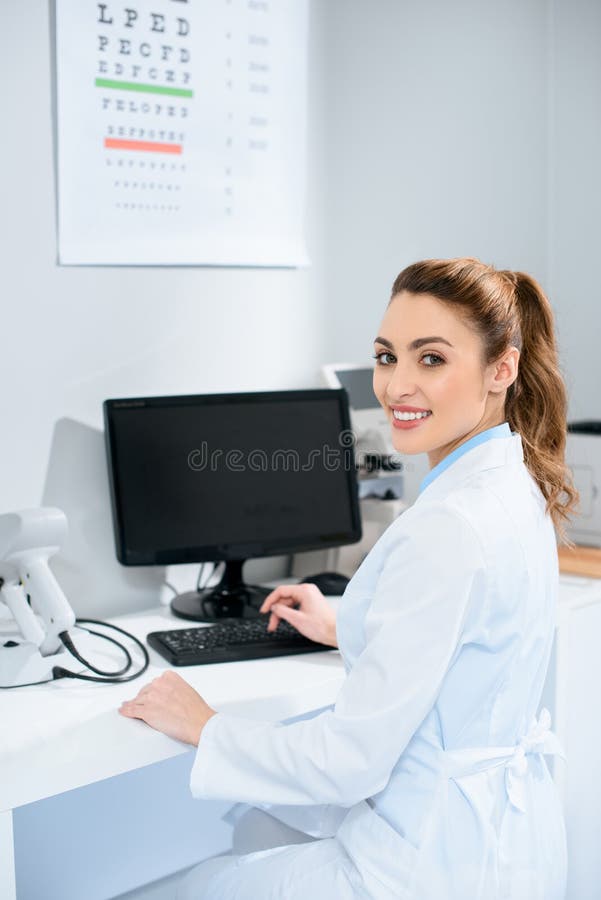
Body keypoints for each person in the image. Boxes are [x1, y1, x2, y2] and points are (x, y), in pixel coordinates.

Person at [119, 257, 577, 899]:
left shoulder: (449, 525)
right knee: (256, 829)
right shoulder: (514, 484)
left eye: (432, 359)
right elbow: (468, 642)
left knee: (187, 885)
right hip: (504, 845)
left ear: (502, 368)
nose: (396, 386)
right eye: (387, 357)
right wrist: (346, 624)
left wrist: (205, 725)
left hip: (424, 865)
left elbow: (346, 764)